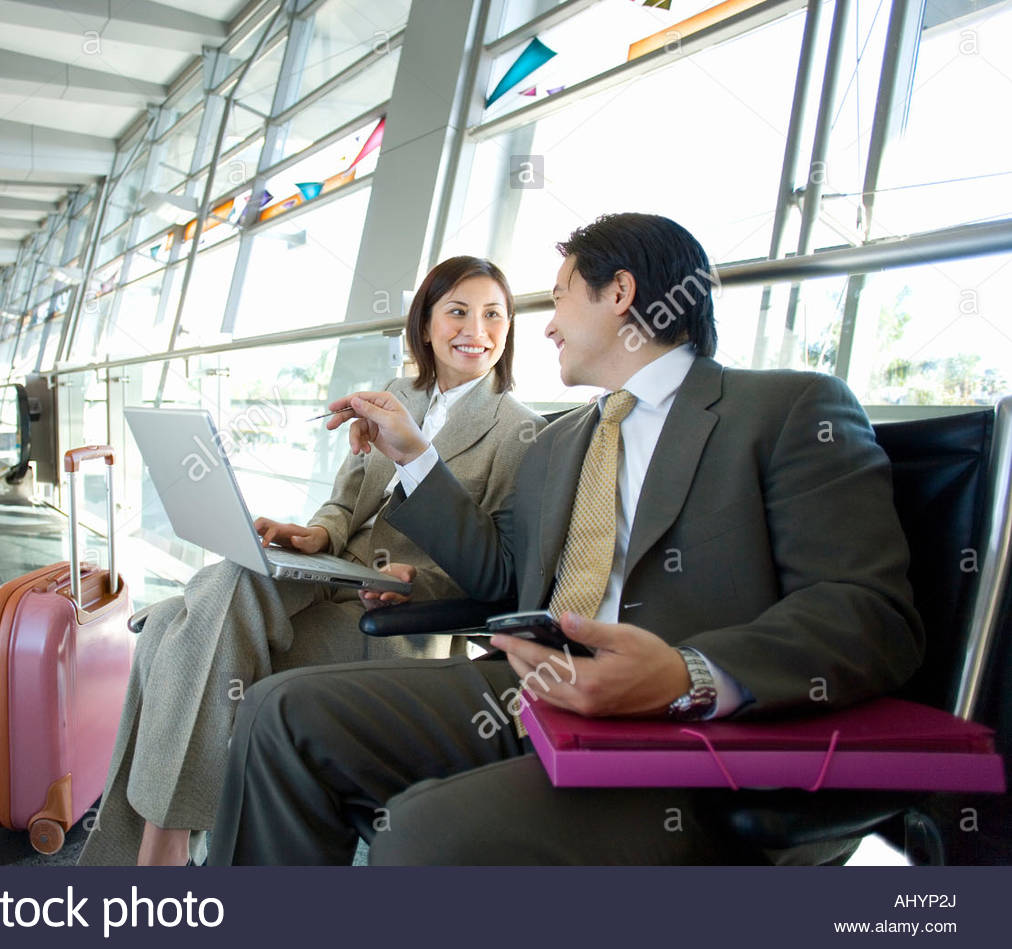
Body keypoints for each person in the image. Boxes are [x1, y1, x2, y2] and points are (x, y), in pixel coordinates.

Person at [206, 213, 925, 865]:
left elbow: (866, 614)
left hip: (681, 738)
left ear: (620, 293)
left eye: (559, 297)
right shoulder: (560, 442)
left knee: (424, 834)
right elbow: (498, 578)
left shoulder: (788, 409)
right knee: (281, 714)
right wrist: (414, 455)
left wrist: (688, 674)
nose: (545, 326)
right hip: (533, 692)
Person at [79, 256, 544, 866]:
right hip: (336, 578)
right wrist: (318, 536)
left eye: (493, 315)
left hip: (398, 615)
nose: (475, 329)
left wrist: (421, 581)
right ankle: (165, 849)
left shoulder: (519, 432)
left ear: (509, 329)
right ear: (426, 325)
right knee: (227, 581)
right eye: (457, 311)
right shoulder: (394, 400)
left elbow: (503, 568)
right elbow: (345, 500)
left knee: (173, 631)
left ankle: (154, 853)